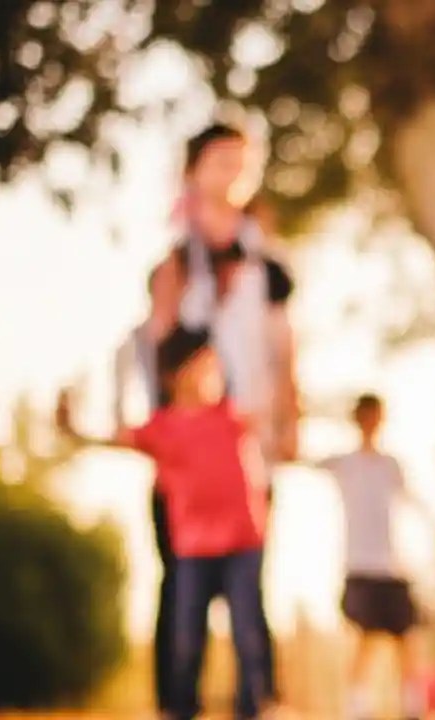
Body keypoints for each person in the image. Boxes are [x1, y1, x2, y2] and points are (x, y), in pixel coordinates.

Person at [118, 123, 296, 710]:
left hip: (250, 447)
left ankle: (258, 699)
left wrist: (290, 418)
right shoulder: (175, 258)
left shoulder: (265, 261)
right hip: (188, 451)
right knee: (180, 581)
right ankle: (177, 702)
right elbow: (156, 344)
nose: (231, 173)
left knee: (251, 580)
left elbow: (283, 344)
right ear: (193, 171)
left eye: (241, 163)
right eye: (219, 161)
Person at [61, 327, 271, 720]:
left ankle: (252, 708)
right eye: (203, 367)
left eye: (215, 367)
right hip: (193, 549)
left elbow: (273, 417)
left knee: (247, 633)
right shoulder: (162, 426)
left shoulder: (228, 417)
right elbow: (110, 440)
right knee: (186, 636)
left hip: (243, 544)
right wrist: (72, 426)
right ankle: (181, 708)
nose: (213, 374)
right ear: (175, 376)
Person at [318, 394, 435, 720]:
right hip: (360, 566)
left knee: (406, 640)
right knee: (365, 639)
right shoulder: (344, 464)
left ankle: (412, 709)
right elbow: (294, 457)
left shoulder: (390, 465)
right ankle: (357, 710)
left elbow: (414, 501)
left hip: (391, 567)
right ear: (359, 419)